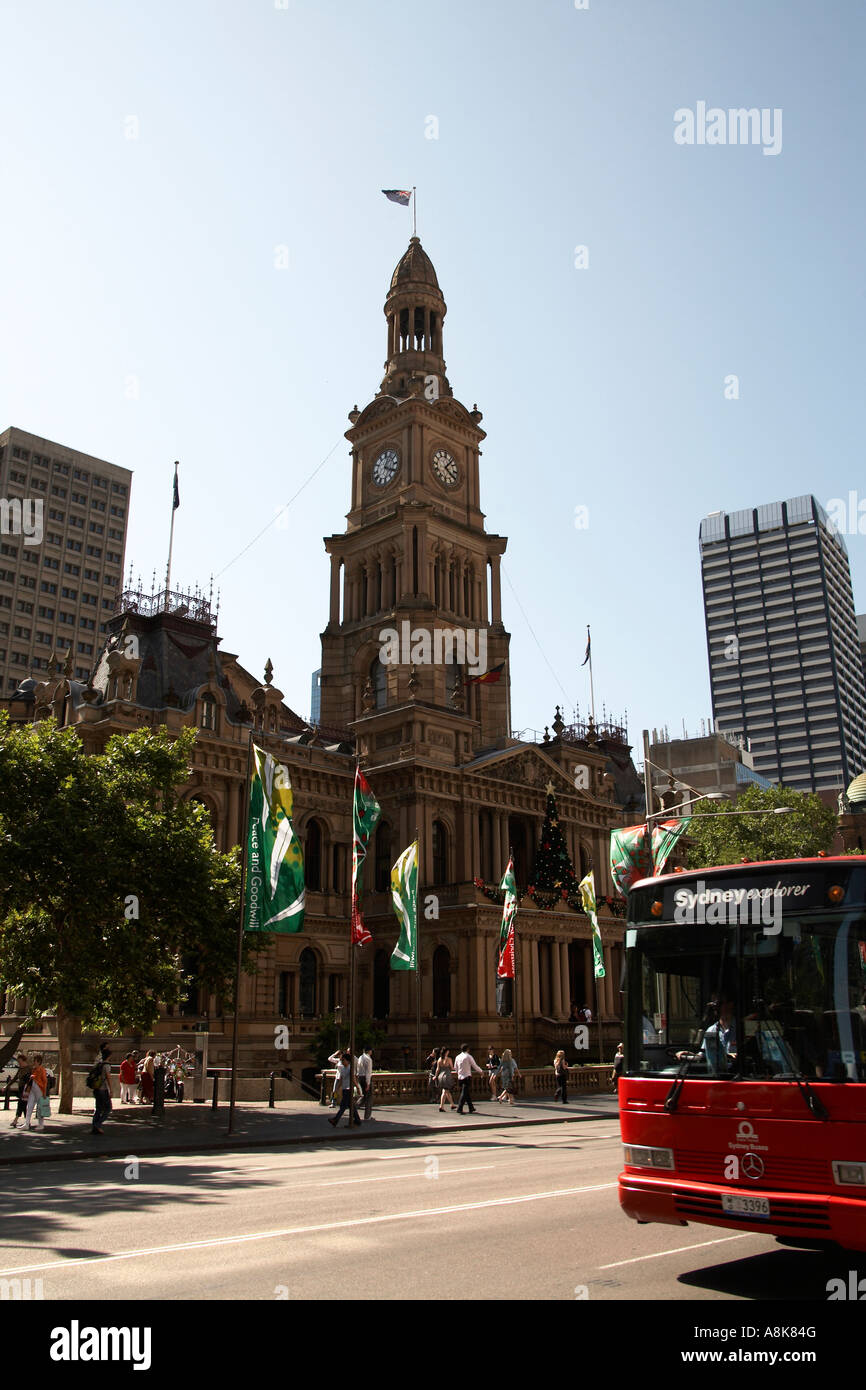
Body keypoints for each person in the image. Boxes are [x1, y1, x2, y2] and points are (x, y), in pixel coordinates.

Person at [328, 1052, 362, 1128]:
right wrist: (336, 1089)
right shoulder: (342, 1068)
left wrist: (358, 1088)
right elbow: (341, 1079)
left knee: (343, 1106)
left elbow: (353, 1079)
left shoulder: (350, 1068)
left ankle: (335, 1120)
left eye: (343, 1060)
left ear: (348, 1061)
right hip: (344, 1088)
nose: (342, 1061)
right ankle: (357, 1120)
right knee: (351, 1106)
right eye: (342, 1060)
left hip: (349, 1089)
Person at [21, 1053, 48, 1131]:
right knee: (29, 1106)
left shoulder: (41, 1069)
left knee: (40, 1108)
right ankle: (27, 1124)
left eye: (35, 1061)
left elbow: (44, 1081)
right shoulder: (34, 1069)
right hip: (33, 1089)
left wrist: (44, 1092)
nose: (34, 1062)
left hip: (39, 1089)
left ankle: (41, 1124)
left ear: (38, 1062)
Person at [454, 1044, 483, 1114]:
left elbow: (455, 1067)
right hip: (467, 1076)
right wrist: (481, 1071)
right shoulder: (468, 1056)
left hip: (460, 1077)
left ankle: (471, 1107)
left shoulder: (457, 1057)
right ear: (467, 1049)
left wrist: (459, 1073)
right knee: (464, 1093)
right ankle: (459, 1108)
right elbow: (474, 1065)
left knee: (466, 1093)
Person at [90, 1045, 112, 1134]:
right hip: (103, 1089)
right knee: (108, 1108)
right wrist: (111, 1090)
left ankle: (94, 1126)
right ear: (109, 1056)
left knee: (98, 1108)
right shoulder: (107, 1066)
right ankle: (97, 1125)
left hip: (96, 1088)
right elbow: (108, 1078)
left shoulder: (98, 1064)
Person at [8, 1054, 31, 1127]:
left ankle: (16, 1120)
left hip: (26, 1088)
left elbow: (31, 1080)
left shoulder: (29, 1069)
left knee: (21, 1103)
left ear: (23, 1060)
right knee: (23, 1105)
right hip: (21, 1088)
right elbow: (15, 1078)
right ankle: (27, 1121)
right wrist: (7, 1085)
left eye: (19, 1061)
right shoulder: (20, 1069)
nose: (18, 1062)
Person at [357, 1045, 374, 1121]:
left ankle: (354, 1106)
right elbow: (368, 1072)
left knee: (364, 1095)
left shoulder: (360, 1057)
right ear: (369, 1051)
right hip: (365, 1078)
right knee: (369, 1098)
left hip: (360, 1077)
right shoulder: (368, 1059)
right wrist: (368, 1083)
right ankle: (367, 1116)